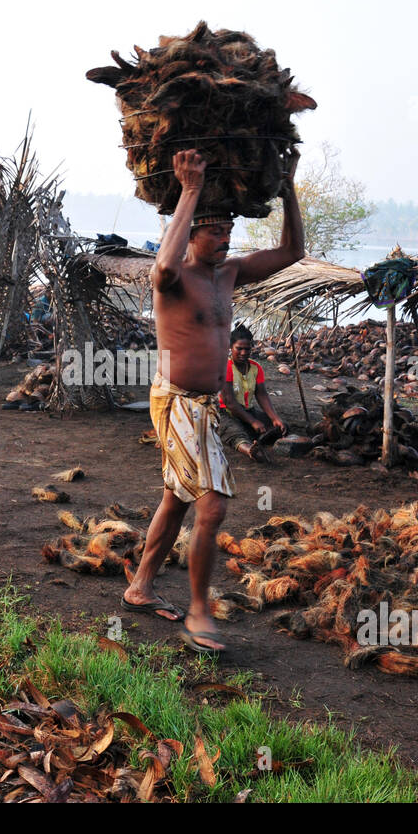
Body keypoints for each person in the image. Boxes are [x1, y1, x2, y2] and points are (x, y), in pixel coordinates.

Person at [122, 147, 304, 653]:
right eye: (213, 232)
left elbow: (292, 254)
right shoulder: (174, 278)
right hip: (175, 398)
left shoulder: (229, 275)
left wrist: (288, 187)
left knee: (177, 496)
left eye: (228, 232)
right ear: (193, 233)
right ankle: (200, 610)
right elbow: (160, 265)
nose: (224, 240)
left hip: (203, 406)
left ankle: (140, 586)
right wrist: (190, 190)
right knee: (213, 507)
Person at [218, 323, 287, 461]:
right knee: (235, 433)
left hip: (247, 411)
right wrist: (253, 421)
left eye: (247, 349)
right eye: (239, 349)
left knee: (280, 427)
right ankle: (250, 450)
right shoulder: (226, 367)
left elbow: (261, 395)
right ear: (230, 348)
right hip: (226, 413)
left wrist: (275, 418)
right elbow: (230, 403)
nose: (243, 353)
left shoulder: (256, 368)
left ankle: (257, 438)